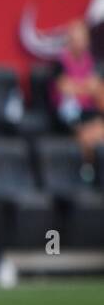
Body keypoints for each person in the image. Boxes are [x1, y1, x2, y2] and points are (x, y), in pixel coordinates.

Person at [53, 19, 104, 183]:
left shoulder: (92, 63)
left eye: (81, 38)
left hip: (89, 111)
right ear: (69, 40)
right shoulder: (59, 62)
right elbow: (64, 88)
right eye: (74, 38)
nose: (78, 42)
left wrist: (79, 86)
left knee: (97, 129)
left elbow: (97, 89)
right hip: (67, 113)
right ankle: (86, 171)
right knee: (87, 134)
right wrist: (86, 87)